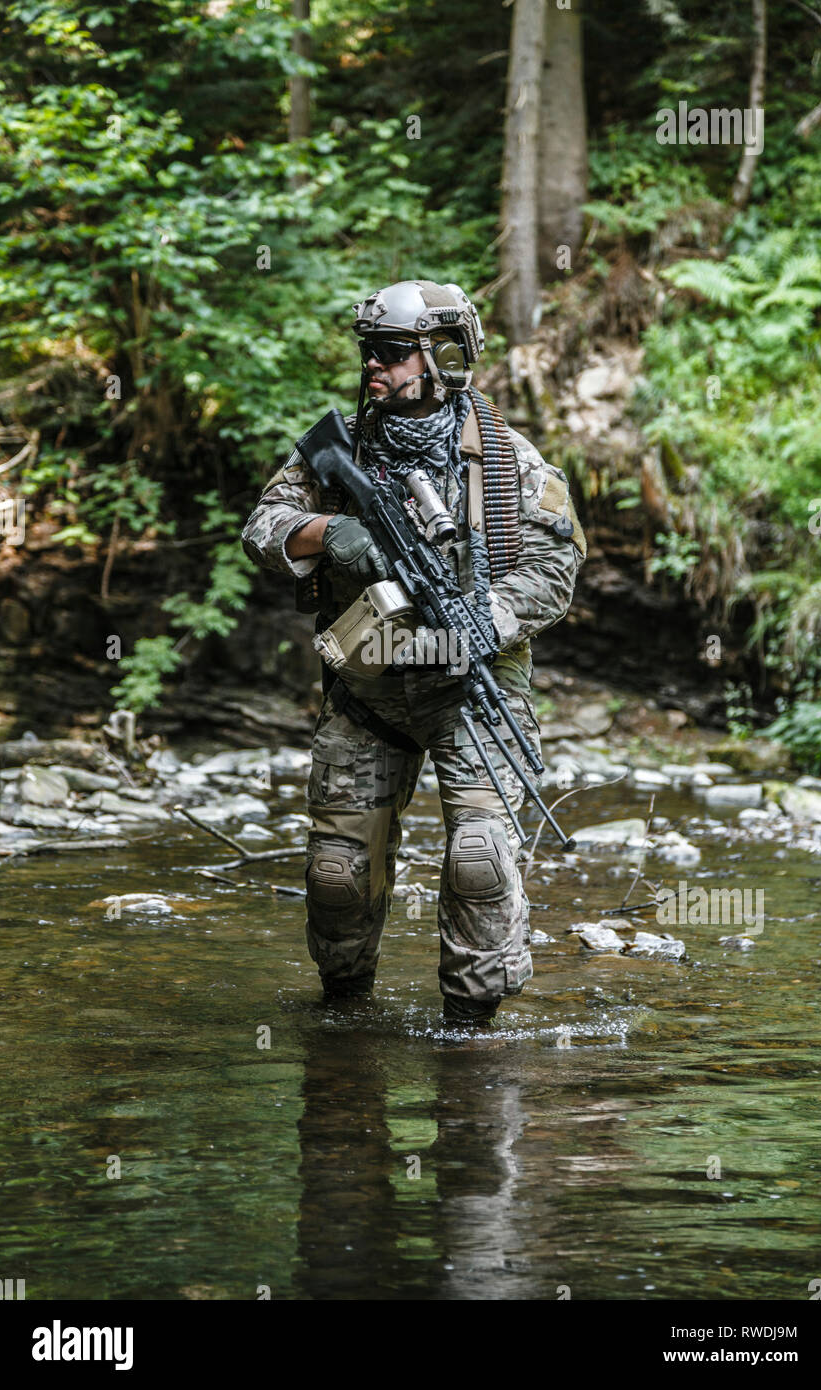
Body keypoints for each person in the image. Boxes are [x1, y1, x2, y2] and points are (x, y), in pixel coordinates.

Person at [242, 280, 586, 1025]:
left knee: (479, 861)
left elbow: (555, 574)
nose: (376, 366)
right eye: (370, 351)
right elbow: (262, 526)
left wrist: (482, 618)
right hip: (367, 691)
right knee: (337, 879)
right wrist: (326, 533)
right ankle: (343, 1031)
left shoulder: (509, 461)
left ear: (444, 358)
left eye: (394, 352)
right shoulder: (340, 450)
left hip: (473, 690)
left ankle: (472, 1038)